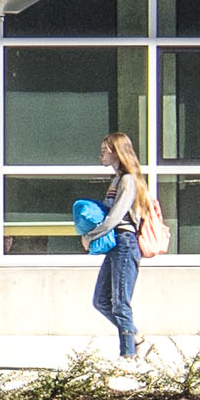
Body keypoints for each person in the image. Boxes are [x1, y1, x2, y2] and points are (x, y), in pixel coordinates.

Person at [74, 131, 161, 362]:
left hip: (125, 243)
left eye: (105, 150)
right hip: (116, 246)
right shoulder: (117, 179)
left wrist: (90, 237)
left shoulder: (128, 180)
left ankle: (128, 356)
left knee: (121, 303)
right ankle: (138, 337)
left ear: (117, 152)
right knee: (101, 301)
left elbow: (115, 217)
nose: (100, 154)